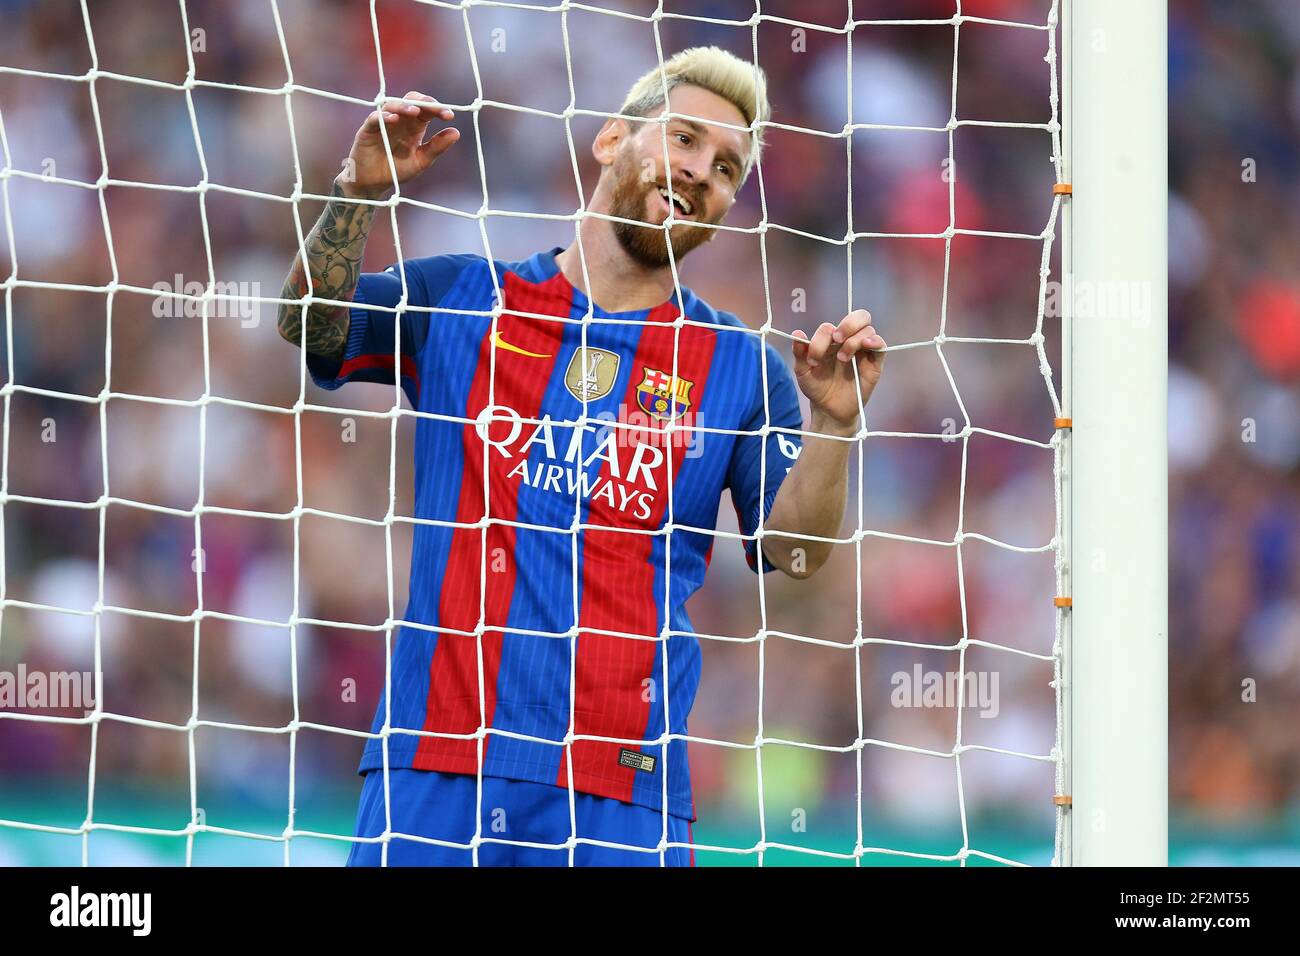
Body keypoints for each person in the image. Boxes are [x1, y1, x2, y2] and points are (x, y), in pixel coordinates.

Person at [276, 46, 886, 866]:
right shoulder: (464, 299)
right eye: (684, 139)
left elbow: (798, 553)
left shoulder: (739, 367)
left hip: (621, 787)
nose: (703, 170)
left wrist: (836, 428)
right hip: (440, 762)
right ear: (610, 142)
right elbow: (310, 325)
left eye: (727, 167)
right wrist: (355, 196)